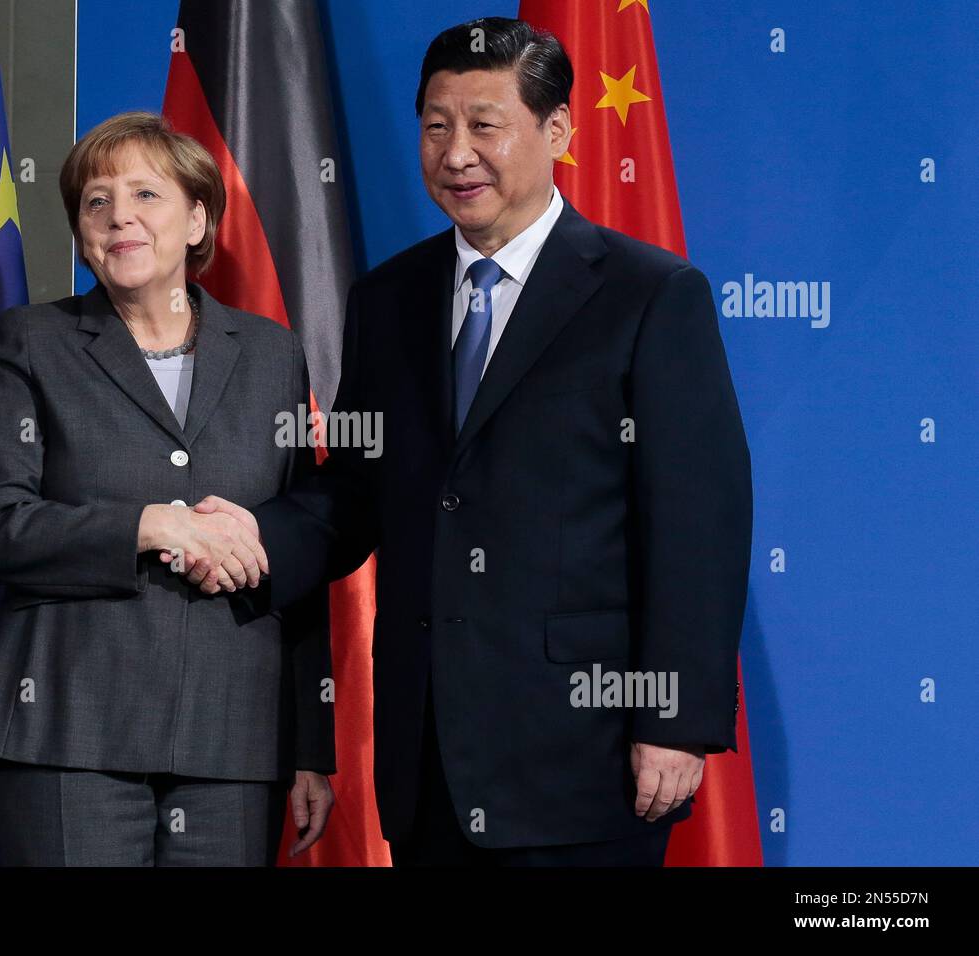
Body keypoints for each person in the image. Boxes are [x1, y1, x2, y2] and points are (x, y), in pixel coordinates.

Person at [182, 18, 753, 866]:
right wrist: (250, 537)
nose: (456, 154)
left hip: (584, 758)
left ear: (556, 130)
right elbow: (356, 495)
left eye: (485, 125)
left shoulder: (649, 295)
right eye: (436, 125)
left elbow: (697, 523)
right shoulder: (388, 298)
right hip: (429, 755)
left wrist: (674, 719)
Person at [0, 111, 335, 866]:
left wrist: (310, 744)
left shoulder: (271, 353)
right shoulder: (30, 341)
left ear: (198, 219)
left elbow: (301, 549)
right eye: (95, 201)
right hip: (68, 731)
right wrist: (150, 526)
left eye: (145, 195)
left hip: (234, 739)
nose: (118, 216)